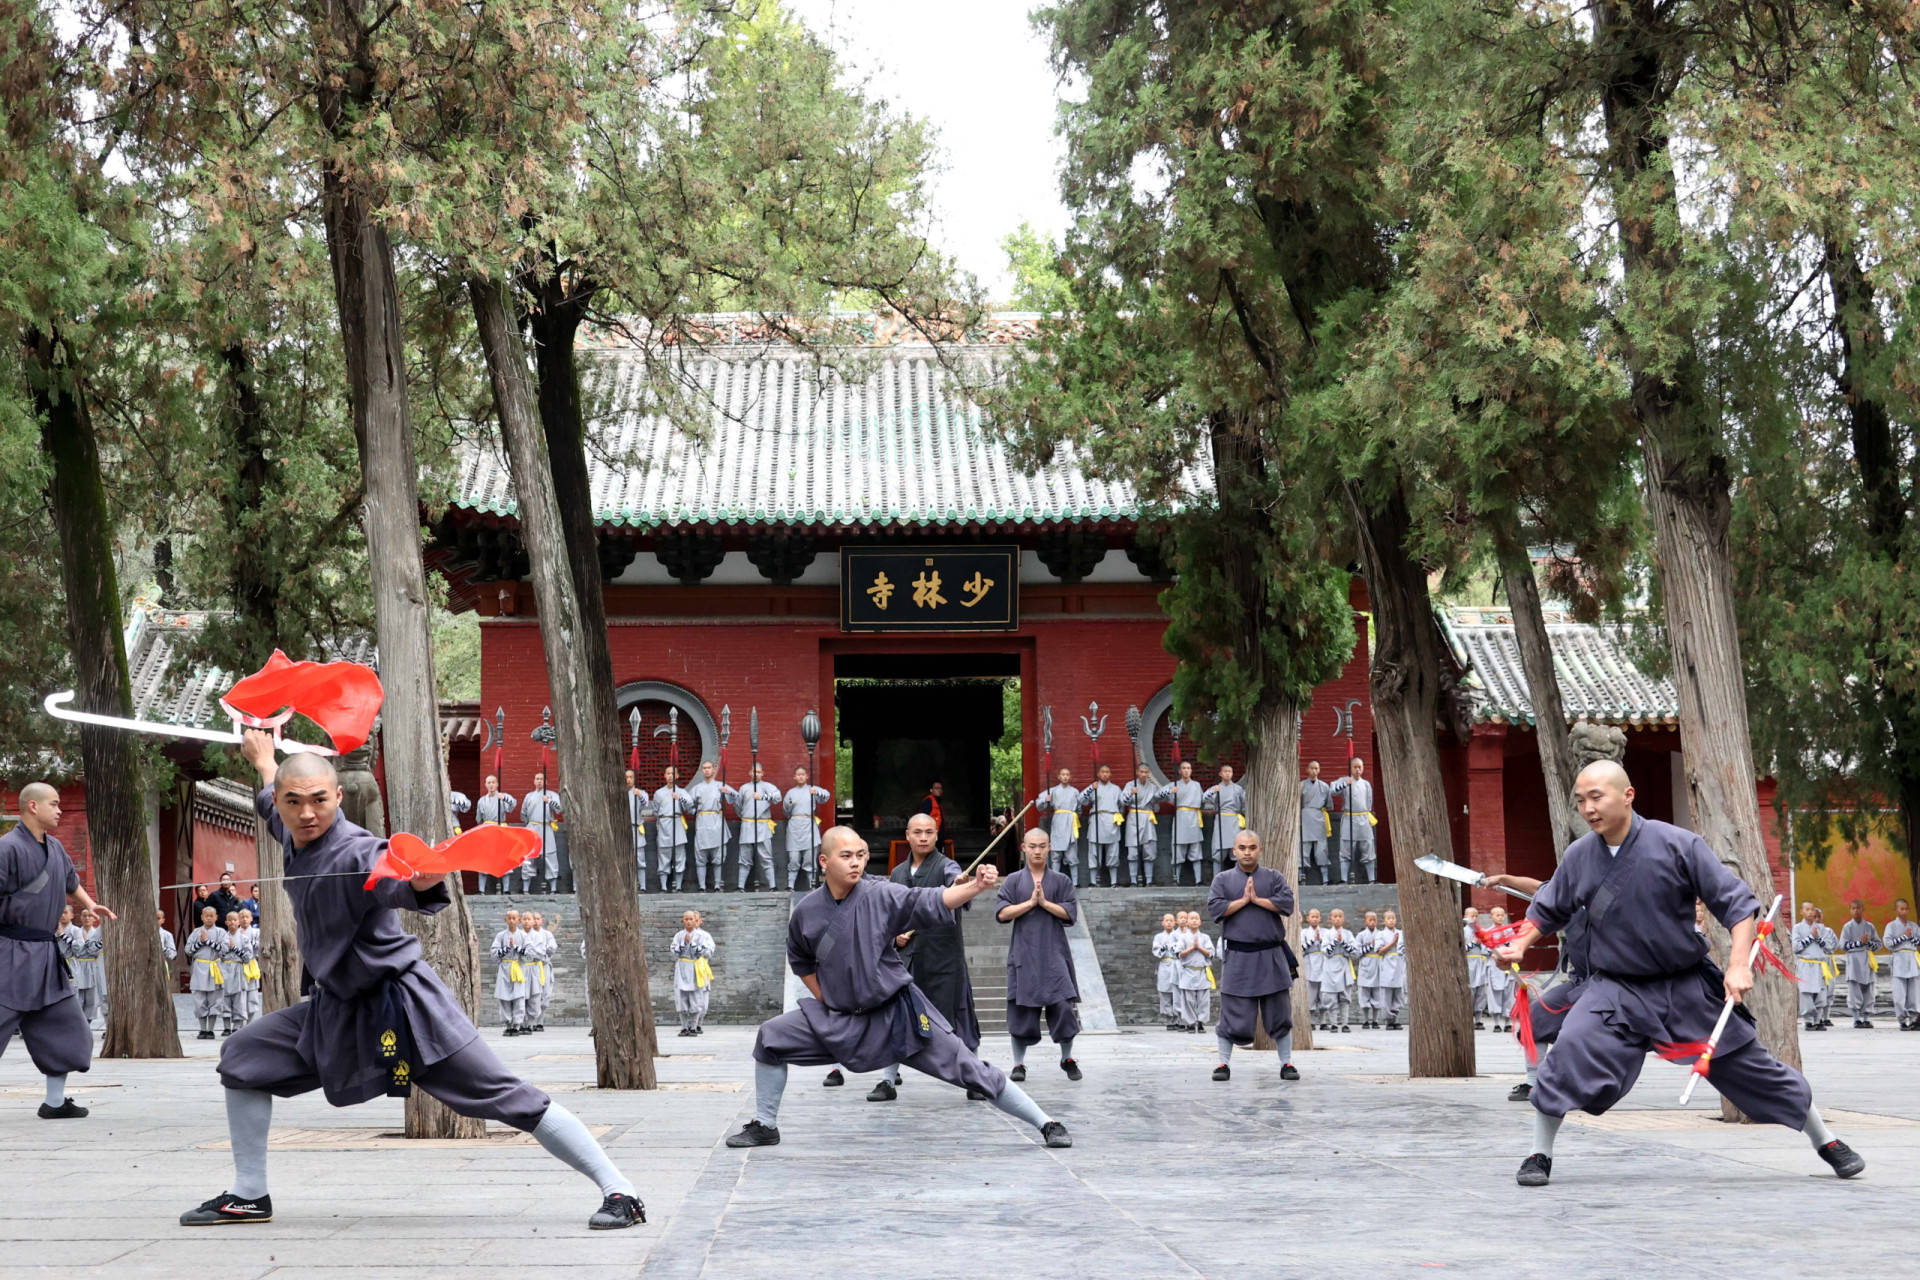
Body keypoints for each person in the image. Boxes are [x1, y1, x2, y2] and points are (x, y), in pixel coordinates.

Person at [182, 732, 642, 1229]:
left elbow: (396, 880)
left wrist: (421, 878)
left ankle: (621, 1191)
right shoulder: (290, 827)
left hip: (404, 1007)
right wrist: (266, 760)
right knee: (244, 1056)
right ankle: (249, 1194)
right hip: (335, 1008)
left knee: (509, 1096)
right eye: (294, 802)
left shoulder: (358, 852)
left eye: (319, 800)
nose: (307, 813)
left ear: (338, 797)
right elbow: (271, 795)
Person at [1496, 759, 1864, 1188]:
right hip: (1614, 989)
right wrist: (1520, 944)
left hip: (1683, 985)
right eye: (1580, 800)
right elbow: (1549, 907)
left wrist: (1738, 964)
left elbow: (1738, 906)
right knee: (1569, 1055)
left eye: (1596, 796)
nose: (1588, 808)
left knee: (1753, 1067)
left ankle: (1827, 1141)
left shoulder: (1678, 844)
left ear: (1627, 795)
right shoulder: (1580, 856)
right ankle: (1540, 1153)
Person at [726, 826, 1070, 1150]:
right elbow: (800, 961)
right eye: (846, 855)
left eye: (861, 854)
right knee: (771, 1037)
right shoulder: (806, 912)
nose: (856, 862)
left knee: (970, 1069)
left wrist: (976, 886)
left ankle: (1046, 1122)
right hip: (843, 1019)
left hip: (898, 1014)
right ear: (824, 861)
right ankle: (766, 1125)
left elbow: (930, 899)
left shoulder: (880, 893)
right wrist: (826, 999)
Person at [1, 781, 112, 1119]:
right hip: (10, 953)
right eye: (54, 803)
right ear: (32, 806)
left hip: (46, 955)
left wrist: (93, 905)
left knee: (67, 1029)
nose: (60, 809)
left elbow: (70, 882)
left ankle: (54, 1102)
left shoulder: (56, 847)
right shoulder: (7, 848)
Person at [876, 813, 986, 1102]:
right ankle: (887, 1081)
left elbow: (957, 881)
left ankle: (975, 1079)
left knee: (958, 1017)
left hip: (943, 958)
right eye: (918, 832)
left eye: (929, 832)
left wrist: (962, 884)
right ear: (907, 836)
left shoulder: (947, 866)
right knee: (898, 1016)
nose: (923, 837)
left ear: (937, 835)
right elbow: (888, 915)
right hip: (907, 958)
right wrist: (894, 936)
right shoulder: (898, 873)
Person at [1207, 830, 1298, 1082]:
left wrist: (1257, 899)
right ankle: (1223, 1064)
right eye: (1242, 847)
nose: (1247, 852)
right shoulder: (1223, 879)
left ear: (1260, 850)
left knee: (1279, 1012)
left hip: (1271, 955)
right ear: (1234, 851)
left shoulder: (1273, 877)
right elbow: (1216, 908)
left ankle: (1287, 1063)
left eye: (1252, 847)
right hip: (1238, 955)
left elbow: (1286, 903)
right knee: (1233, 1013)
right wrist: (1244, 900)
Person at [996, 828, 1084, 1081]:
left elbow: (1070, 914)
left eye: (1042, 846)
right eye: (1032, 846)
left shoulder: (1060, 881)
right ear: (1023, 848)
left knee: (1063, 1007)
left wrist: (1044, 903)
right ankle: (1018, 1065)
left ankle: (1067, 1058)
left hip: (1054, 955)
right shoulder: (1013, 880)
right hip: (1024, 954)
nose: (1037, 850)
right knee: (1020, 1010)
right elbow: (1002, 913)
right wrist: (1031, 903)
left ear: (1049, 848)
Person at [734, 763, 782, 892]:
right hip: (747, 824)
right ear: (750, 772)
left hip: (762, 825)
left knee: (766, 856)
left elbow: (778, 797)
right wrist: (747, 816)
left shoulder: (768, 787)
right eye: (754, 772)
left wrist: (763, 797)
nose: (756, 774)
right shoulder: (744, 788)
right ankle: (740, 886)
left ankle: (772, 886)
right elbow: (738, 806)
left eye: (759, 772)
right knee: (744, 857)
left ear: (762, 773)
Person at [1329, 758, 1377, 884]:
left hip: (1363, 818)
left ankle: (1372, 879)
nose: (1357, 769)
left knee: (1368, 846)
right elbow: (1332, 791)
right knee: (1346, 849)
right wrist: (1345, 784)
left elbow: (1369, 801)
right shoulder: (1344, 781)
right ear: (1350, 768)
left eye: (1360, 767)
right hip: (1349, 818)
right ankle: (1344, 879)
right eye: (1355, 767)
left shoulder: (1366, 784)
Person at [782, 767, 829, 892]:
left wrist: (817, 793)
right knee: (794, 857)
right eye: (798, 774)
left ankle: (812, 885)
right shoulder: (790, 793)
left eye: (803, 774)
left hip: (808, 825)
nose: (801, 777)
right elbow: (785, 811)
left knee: (810, 857)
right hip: (794, 826)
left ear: (807, 776)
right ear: (794, 777)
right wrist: (790, 806)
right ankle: (791, 885)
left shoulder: (812, 789)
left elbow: (826, 796)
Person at [185, 906, 228, 1041]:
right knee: (199, 1000)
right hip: (199, 967)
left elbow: (225, 949)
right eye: (206, 915)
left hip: (214, 966)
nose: (209, 918)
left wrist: (207, 942)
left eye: (211, 915)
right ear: (202, 917)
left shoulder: (221, 932)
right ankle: (202, 1028)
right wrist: (199, 944)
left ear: (216, 917)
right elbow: (188, 950)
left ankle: (211, 1029)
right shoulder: (196, 932)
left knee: (215, 1000)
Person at [670, 910, 716, 1037]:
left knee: (696, 996)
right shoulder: (679, 935)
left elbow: (709, 951)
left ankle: (694, 1026)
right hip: (682, 968)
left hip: (697, 967)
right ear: (682, 920)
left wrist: (694, 945)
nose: (689, 921)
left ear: (696, 921)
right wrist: (684, 944)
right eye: (686, 919)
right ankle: (684, 1026)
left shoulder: (704, 936)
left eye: (691, 919)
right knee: (681, 997)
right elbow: (674, 950)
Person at [688, 761, 731, 892]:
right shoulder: (696, 788)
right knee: (700, 857)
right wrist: (695, 811)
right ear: (702, 770)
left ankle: (717, 885)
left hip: (716, 821)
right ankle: (702, 886)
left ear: (713, 770)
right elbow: (688, 805)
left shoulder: (720, 786)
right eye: (704, 768)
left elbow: (734, 799)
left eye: (709, 768)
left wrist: (727, 793)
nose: (707, 770)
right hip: (702, 823)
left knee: (718, 857)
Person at [648, 766, 693, 893]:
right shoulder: (659, 793)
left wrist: (679, 798)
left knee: (679, 856)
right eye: (668, 773)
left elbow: (689, 804)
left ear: (677, 776)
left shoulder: (682, 792)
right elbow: (655, 810)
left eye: (673, 774)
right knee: (663, 855)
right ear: (664, 776)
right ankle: (663, 886)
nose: (670, 776)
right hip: (664, 824)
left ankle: (678, 886)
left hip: (677, 823)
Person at [1079, 764, 1124, 888]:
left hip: (1111, 821)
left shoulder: (1116, 789)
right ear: (1098, 774)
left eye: (1107, 772)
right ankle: (1093, 881)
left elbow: (1122, 805)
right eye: (1102, 772)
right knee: (1094, 851)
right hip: (1097, 819)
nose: (1105, 774)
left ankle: (1114, 881)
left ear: (1110, 774)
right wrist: (1090, 789)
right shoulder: (1094, 787)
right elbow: (1081, 800)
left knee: (1113, 851)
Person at [1839, 900, 1881, 1028]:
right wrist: (1859, 943)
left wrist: (1867, 943)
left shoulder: (1869, 926)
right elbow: (1843, 946)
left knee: (1868, 988)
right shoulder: (1847, 927)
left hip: (1867, 959)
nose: (1856, 910)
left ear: (1863, 909)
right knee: (1854, 988)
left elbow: (1878, 944)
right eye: (1853, 908)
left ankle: (1866, 1017)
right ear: (1850, 910)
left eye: (1858, 908)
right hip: (1854, 959)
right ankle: (1856, 1018)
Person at [1038, 767, 1083, 886]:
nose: (1065, 777)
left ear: (1070, 777)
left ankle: (1075, 882)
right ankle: (1053, 881)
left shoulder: (1075, 791)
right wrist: (1045, 799)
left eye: (1067, 774)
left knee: (1072, 854)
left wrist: (1073, 817)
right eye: (1063, 774)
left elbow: (1079, 809)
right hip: (1058, 821)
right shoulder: (1052, 791)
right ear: (1059, 776)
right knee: (1056, 854)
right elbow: (1039, 804)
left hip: (1070, 822)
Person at [520, 771, 563, 894]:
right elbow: (523, 814)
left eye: (541, 779)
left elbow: (559, 809)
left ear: (545, 782)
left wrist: (549, 801)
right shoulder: (529, 796)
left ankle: (553, 888)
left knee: (550, 855)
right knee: (528, 855)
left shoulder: (552, 795)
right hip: (532, 827)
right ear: (534, 781)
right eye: (537, 779)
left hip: (546, 828)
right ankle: (525, 888)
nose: (539, 781)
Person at [1120, 762, 1162, 887]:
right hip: (1134, 817)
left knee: (1149, 849)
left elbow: (1156, 805)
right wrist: (1131, 793)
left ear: (1149, 773)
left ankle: (1149, 880)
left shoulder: (1153, 787)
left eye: (1146, 772)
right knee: (1133, 850)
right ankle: (1133, 880)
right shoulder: (1130, 785)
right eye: (1141, 772)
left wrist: (1156, 800)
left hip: (1148, 818)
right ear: (1137, 772)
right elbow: (1123, 801)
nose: (1144, 774)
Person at [1791, 901, 1831, 1032]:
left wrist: (1818, 938)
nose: (1810, 912)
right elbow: (1796, 947)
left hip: (1819, 964)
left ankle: (1818, 1019)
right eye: (1807, 909)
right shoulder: (1797, 928)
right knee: (1806, 992)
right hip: (1806, 963)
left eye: (1812, 909)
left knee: (1820, 993)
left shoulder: (1822, 928)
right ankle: (1808, 1020)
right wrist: (1810, 937)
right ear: (1801, 911)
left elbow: (1830, 947)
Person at [474, 774, 517, 894]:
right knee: (484, 858)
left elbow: (512, 806)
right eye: (489, 782)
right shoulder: (482, 801)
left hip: (501, 829)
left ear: (497, 784)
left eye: (493, 782)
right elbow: (478, 818)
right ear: (485, 785)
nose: (491, 785)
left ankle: (506, 889)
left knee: (504, 858)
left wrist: (503, 798)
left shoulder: (503, 797)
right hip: (487, 829)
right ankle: (481, 889)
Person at [1201, 764, 1246, 879]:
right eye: (1225, 771)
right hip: (1220, 820)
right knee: (1218, 849)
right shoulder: (1216, 788)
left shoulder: (1238, 789)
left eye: (1230, 771)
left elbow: (1244, 805)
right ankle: (1217, 878)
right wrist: (1213, 792)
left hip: (1234, 820)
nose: (1227, 773)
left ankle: (1239, 877)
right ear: (1220, 774)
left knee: (1236, 848)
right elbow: (1204, 799)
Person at [1167, 761, 1206, 885]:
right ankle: (1176, 879)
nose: (1186, 770)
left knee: (1196, 850)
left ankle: (1198, 880)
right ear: (1179, 771)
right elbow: (1167, 799)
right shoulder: (1174, 785)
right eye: (1183, 768)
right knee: (1178, 850)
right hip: (1181, 816)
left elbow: (1202, 800)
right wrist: (1171, 792)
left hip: (1194, 817)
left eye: (1188, 768)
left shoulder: (1197, 785)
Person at [492, 909, 531, 1036]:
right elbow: (494, 953)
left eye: (514, 918)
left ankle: (517, 1024)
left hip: (518, 966)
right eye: (509, 918)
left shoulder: (524, 936)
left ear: (519, 920)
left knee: (519, 996)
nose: (512, 920)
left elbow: (530, 952)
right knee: (504, 997)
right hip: (505, 967)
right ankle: (508, 1023)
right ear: (505, 920)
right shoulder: (501, 936)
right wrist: (507, 948)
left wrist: (516, 948)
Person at [1175, 909, 1213, 1033]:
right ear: (1187, 922)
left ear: (1200, 922)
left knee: (1203, 1000)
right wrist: (1192, 947)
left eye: (1196, 918)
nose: (1194, 920)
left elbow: (1211, 953)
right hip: (1188, 971)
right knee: (1188, 1000)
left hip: (1202, 972)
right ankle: (1191, 1023)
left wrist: (1199, 947)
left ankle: (1201, 1022)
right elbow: (1180, 954)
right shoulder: (1183, 937)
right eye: (1192, 918)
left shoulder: (1205, 937)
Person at [1884, 899, 1919, 1030]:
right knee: (1899, 993)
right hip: (1899, 959)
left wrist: (1910, 937)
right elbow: (1888, 943)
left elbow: (1918, 941)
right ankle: (1902, 1019)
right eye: (1901, 909)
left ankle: (1914, 1019)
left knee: (1914, 992)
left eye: (1906, 909)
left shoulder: (1914, 926)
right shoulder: (1891, 926)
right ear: (1896, 910)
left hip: (1912, 958)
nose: (1904, 911)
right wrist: (1904, 937)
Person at [70, 908, 106, 1029]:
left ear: (94, 918)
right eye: (84, 916)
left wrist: (89, 945)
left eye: (90, 916)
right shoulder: (77, 932)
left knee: (92, 997)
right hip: (78, 963)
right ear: (80, 918)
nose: (87, 918)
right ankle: (78, 1019)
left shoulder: (96, 932)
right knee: (78, 995)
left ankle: (88, 1020)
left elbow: (96, 949)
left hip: (93, 964)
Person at [1321, 908, 1356, 1032]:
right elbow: (1325, 951)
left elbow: (1354, 951)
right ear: (1330, 919)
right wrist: (1336, 941)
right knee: (1331, 996)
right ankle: (1334, 1023)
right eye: (1334, 916)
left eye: (1340, 916)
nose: (1337, 918)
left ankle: (1345, 1023)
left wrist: (1343, 942)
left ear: (1343, 918)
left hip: (1344, 965)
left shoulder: (1348, 934)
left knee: (1345, 996)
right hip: (1331, 966)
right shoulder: (1326, 934)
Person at [1300, 761, 1334, 885]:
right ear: (1307, 770)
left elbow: (1329, 805)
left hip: (1319, 818)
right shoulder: (1301, 785)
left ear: (1319, 770)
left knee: (1321, 849)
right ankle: (1301, 876)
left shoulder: (1324, 787)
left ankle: (1325, 878)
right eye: (1312, 768)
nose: (1314, 771)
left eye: (1316, 768)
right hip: (1305, 817)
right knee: (1304, 848)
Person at [1486, 907, 1517, 1034]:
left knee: (1509, 993)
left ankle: (1507, 1022)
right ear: (1491, 917)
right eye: (1497, 915)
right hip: (1494, 964)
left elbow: (1514, 944)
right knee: (1495, 992)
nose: (1500, 917)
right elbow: (1486, 948)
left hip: (1508, 963)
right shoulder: (1487, 932)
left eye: (1502, 915)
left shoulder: (1509, 930)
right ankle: (1496, 1023)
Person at [1463, 906, 1494, 1030]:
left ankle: (1479, 1019)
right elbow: (1461, 949)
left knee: (1482, 991)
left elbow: (1489, 948)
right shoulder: (1463, 931)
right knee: (1470, 991)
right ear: (1465, 917)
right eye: (1472, 916)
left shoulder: (1482, 931)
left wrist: (1484, 944)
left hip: (1481, 961)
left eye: (1476, 916)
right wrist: (1475, 942)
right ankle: (1467, 1018)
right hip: (1469, 962)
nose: (1474, 918)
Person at [1376, 909, 1406, 1030]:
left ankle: (1396, 1018)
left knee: (1398, 992)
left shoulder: (1401, 933)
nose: (1391, 920)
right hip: (1387, 962)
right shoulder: (1381, 935)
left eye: (1393, 918)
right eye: (1388, 918)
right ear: (1384, 921)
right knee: (1387, 993)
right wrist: (1393, 942)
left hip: (1399, 962)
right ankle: (1388, 1020)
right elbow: (1379, 951)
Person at [1299, 908, 1329, 1028]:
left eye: (1317, 916)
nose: (1315, 918)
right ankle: (1311, 1021)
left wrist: (1320, 940)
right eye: (1312, 916)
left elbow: (1328, 948)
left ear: (1320, 918)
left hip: (1323, 961)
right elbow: (1301, 948)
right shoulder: (1304, 933)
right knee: (1311, 993)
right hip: (1310, 961)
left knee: (1323, 993)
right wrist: (1312, 940)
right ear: (1308, 919)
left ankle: (1323, 1021)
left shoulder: (1326, 932)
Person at [524, 910, 553, 1032]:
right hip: (529, 967)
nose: (535, 921)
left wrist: (539, 953)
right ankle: (527, 1022)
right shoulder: (523, 934)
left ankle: (539, 1021)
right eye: (533, 918)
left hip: (543, 966)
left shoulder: (547, 934)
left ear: (542, 920)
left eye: (537, 918)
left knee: (545, 994)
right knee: (528, 994)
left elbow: (551, 948)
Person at [1152, 912, 1181, 1029]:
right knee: (1165, 992)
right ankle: (1169, 1019)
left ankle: (1178, 1018)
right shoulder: (1158, 937)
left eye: (1171, 920)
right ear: (1163, 923)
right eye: (1166, 920)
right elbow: (1156, 951)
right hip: (1165, 964)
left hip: (1176, 964)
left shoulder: (1179, 935)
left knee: (1177, 991)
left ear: (1175, 922)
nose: (1169, 922)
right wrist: (1164, 947)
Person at [1354, 910, 1382, 1030]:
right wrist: (1370, 945)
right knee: (1364, 994)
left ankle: (1375, 1020)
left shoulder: (1381, 934)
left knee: (1377, 994)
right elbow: (1356, 953)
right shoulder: (1360, 936)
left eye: (1374, 920)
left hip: (1377, 965)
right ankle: (1365, 1020)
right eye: (1370, 920)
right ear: (1365, 921)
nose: (1372, 922)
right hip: (1365, 965)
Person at [1815, 907, 1841, 1028]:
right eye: (1814, 917)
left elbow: (1832, 946)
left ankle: (1826, 1017)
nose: (1817, 919)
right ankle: (1817, 1017)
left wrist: (1820, 942)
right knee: (1819, 990)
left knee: (1829, 989)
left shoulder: (1828, 931)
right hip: (1816, 963)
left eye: (1818, 916)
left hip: (1828, 961)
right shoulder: (1807, 931)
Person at [921, 781, 946, 846]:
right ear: (931, 790)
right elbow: (923, 819)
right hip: (932, 837)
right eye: (937, 788)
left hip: (938, 836)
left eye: (940, 788)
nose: (939, 790)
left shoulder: (938, 802)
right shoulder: (928, 801)